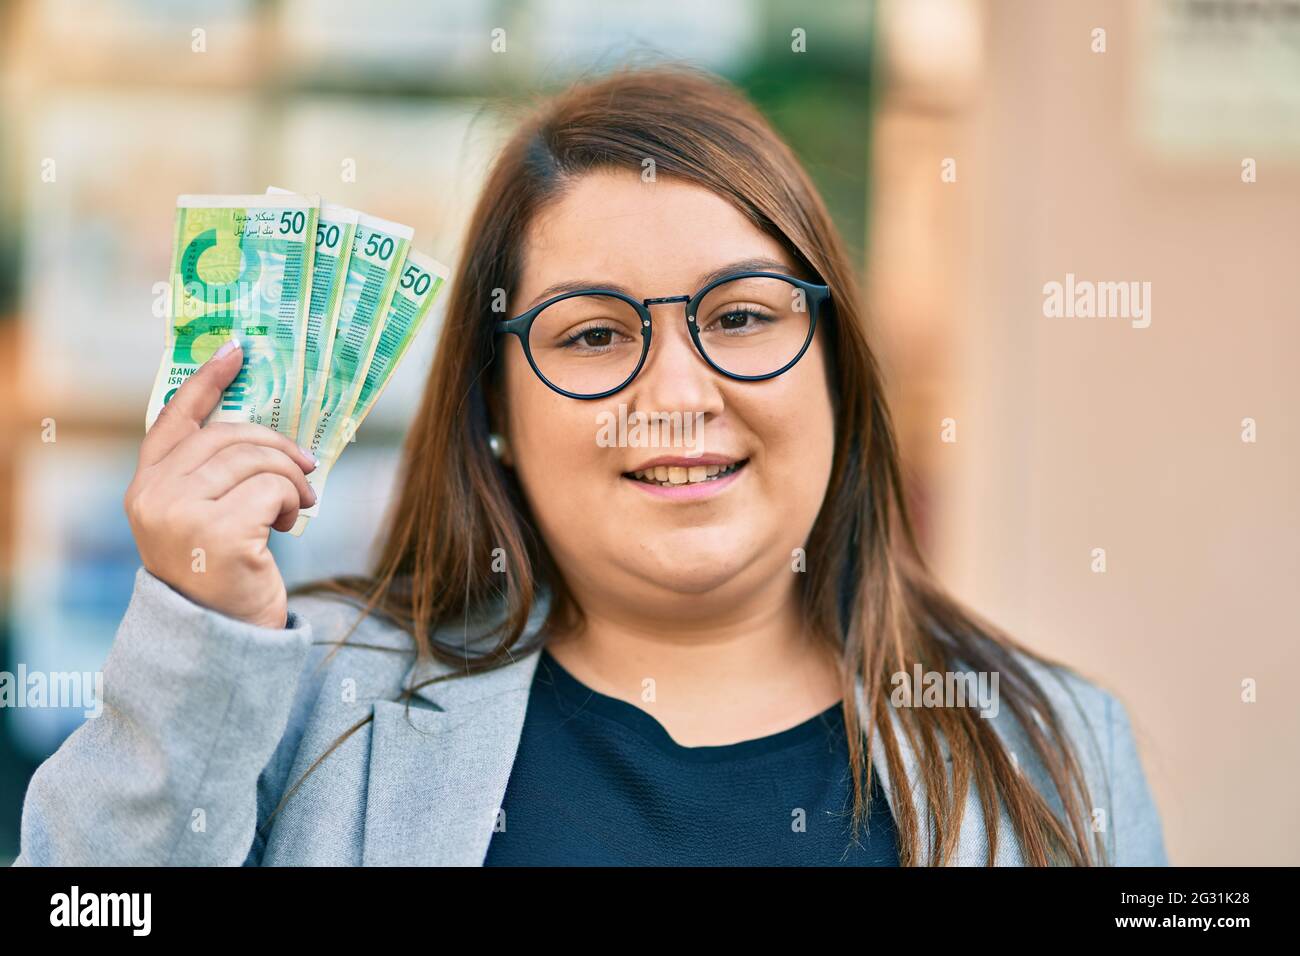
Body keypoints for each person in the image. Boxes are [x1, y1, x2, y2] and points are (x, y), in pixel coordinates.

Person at [13, 63, 1167, 866]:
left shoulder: (1051, 738)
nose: (676, 393)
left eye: (744, 315)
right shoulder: (309, 702)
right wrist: (194, 649)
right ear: (495, 405)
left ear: (836, 367)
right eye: (594, 335)